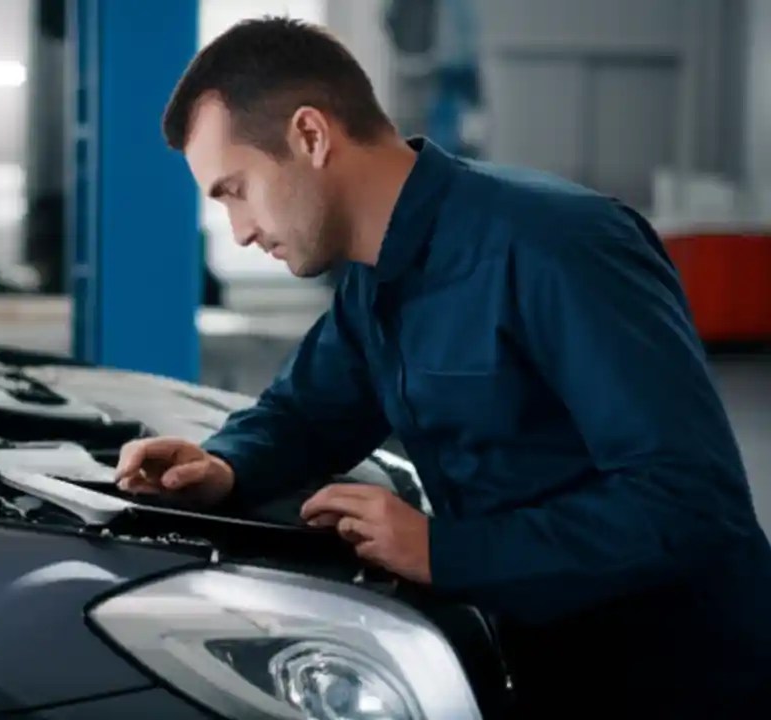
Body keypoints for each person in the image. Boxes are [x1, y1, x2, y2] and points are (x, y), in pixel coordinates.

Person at [114, 16, 771, 717]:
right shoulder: (375, 279)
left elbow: (687, 501)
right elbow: (307, 412)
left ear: (310, 135)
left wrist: (444, 551)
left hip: (685, 679)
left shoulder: (559, 246)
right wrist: (223, 466)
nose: (240, 231)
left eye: (235, 190)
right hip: (544, 662)